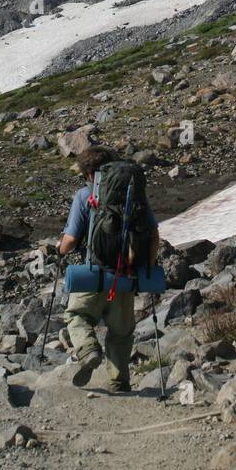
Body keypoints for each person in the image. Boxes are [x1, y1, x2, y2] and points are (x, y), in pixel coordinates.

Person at [58, 145, 159, 393]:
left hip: (94, 273)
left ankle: (89, 350)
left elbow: (70, 240)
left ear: (89, 173)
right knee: (121, 333)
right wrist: (147, 267)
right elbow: (154, 234)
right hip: (126, 275)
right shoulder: (134, 196)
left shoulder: (85, 196)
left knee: (77, 316)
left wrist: (59, 249)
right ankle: (118, 381)